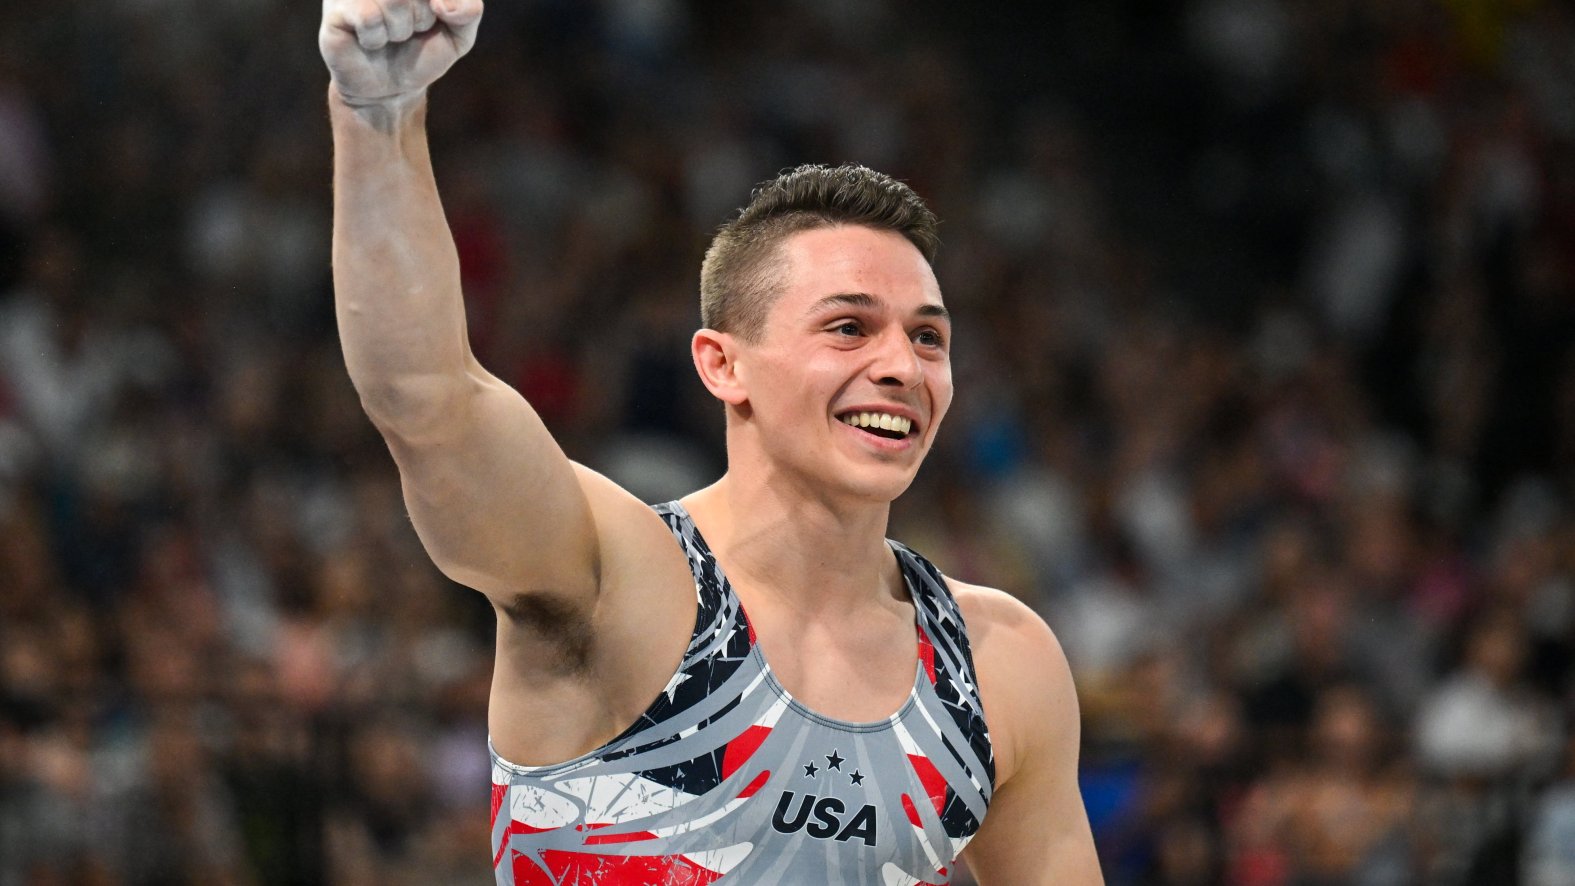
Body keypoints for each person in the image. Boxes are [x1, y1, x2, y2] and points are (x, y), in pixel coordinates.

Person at [319, 1, 1103, 882]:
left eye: (928, 338)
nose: (902, 367)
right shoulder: (609, 574)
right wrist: (379, 117)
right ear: (722, 365)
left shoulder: (1000, 664)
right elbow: (425, 397)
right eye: (848, 328)